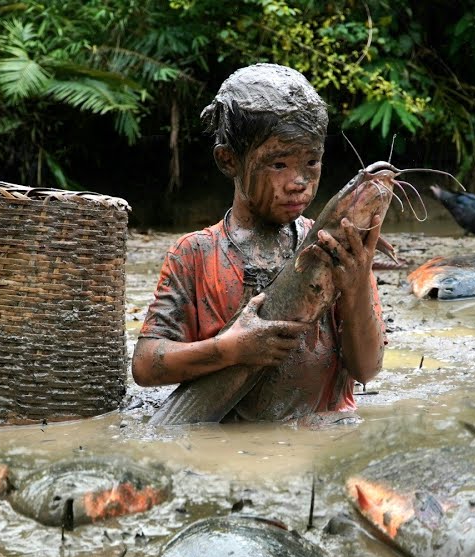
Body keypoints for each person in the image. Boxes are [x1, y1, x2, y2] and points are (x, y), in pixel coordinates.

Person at [131, 63, 386, 422]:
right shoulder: (196, 254)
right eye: (278, 164)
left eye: (312, 162)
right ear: (228, 160)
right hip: (228, 444)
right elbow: (145, 366)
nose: (299, 182)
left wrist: (357, 285)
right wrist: (230, 350)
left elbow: (367, 369)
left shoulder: (336, 245)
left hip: (323, 431)